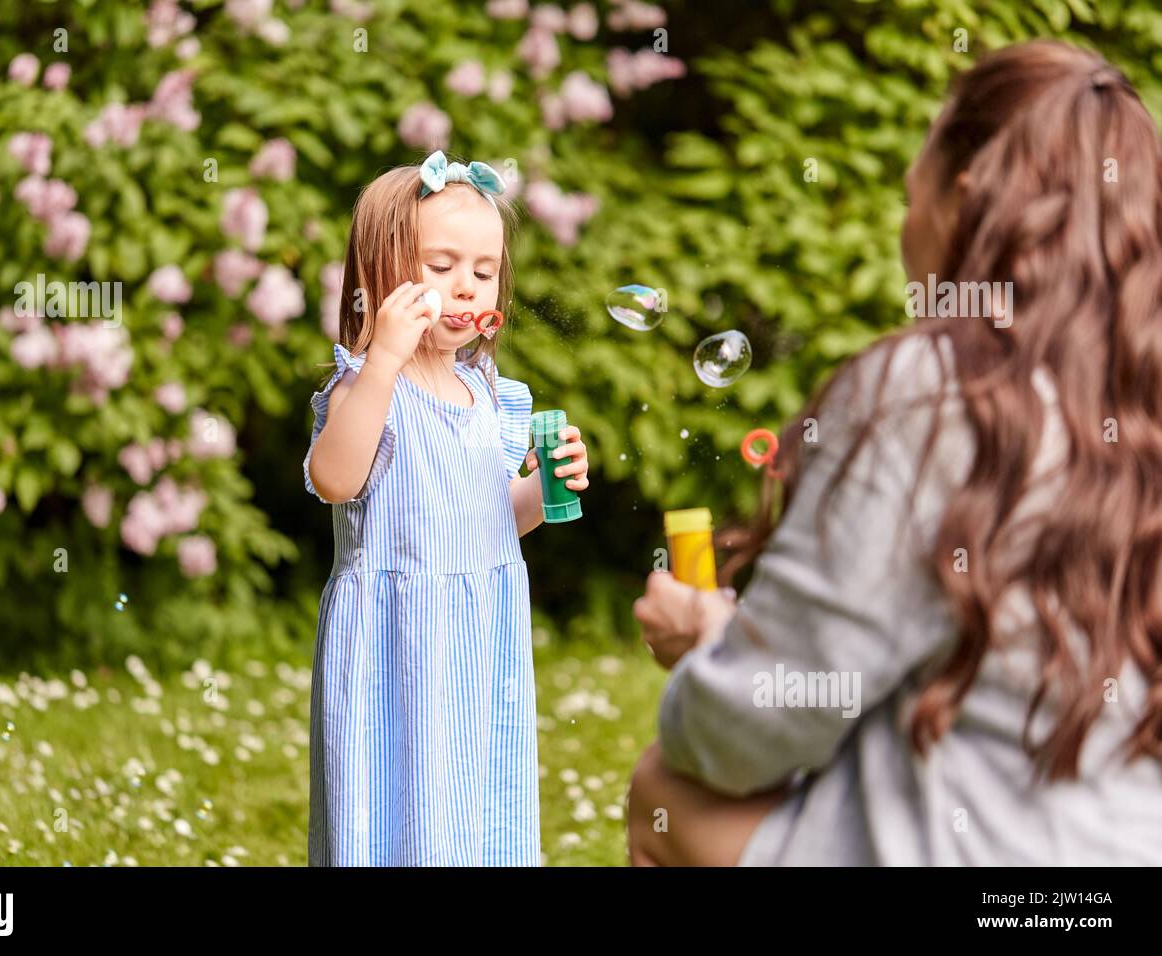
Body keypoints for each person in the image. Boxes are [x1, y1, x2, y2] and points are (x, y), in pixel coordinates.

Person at [629, 40, 1162, 866]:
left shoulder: (938, 387)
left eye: (924, 146)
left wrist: (708, 647)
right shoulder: (1138, 398)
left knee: (666, 789)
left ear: (962, 194)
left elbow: (746, 736)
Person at [303, 151, 591, 865]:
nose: (465, 286)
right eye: (440, 266)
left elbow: (495, 517)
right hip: (395, 652)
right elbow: (334, 478)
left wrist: (545, 488)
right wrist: (383, 361)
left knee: (476, 808)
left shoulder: (493, 394)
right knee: (401, 817)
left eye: (484, 271)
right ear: (380, 277)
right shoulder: (367, 390)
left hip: (478, 645)